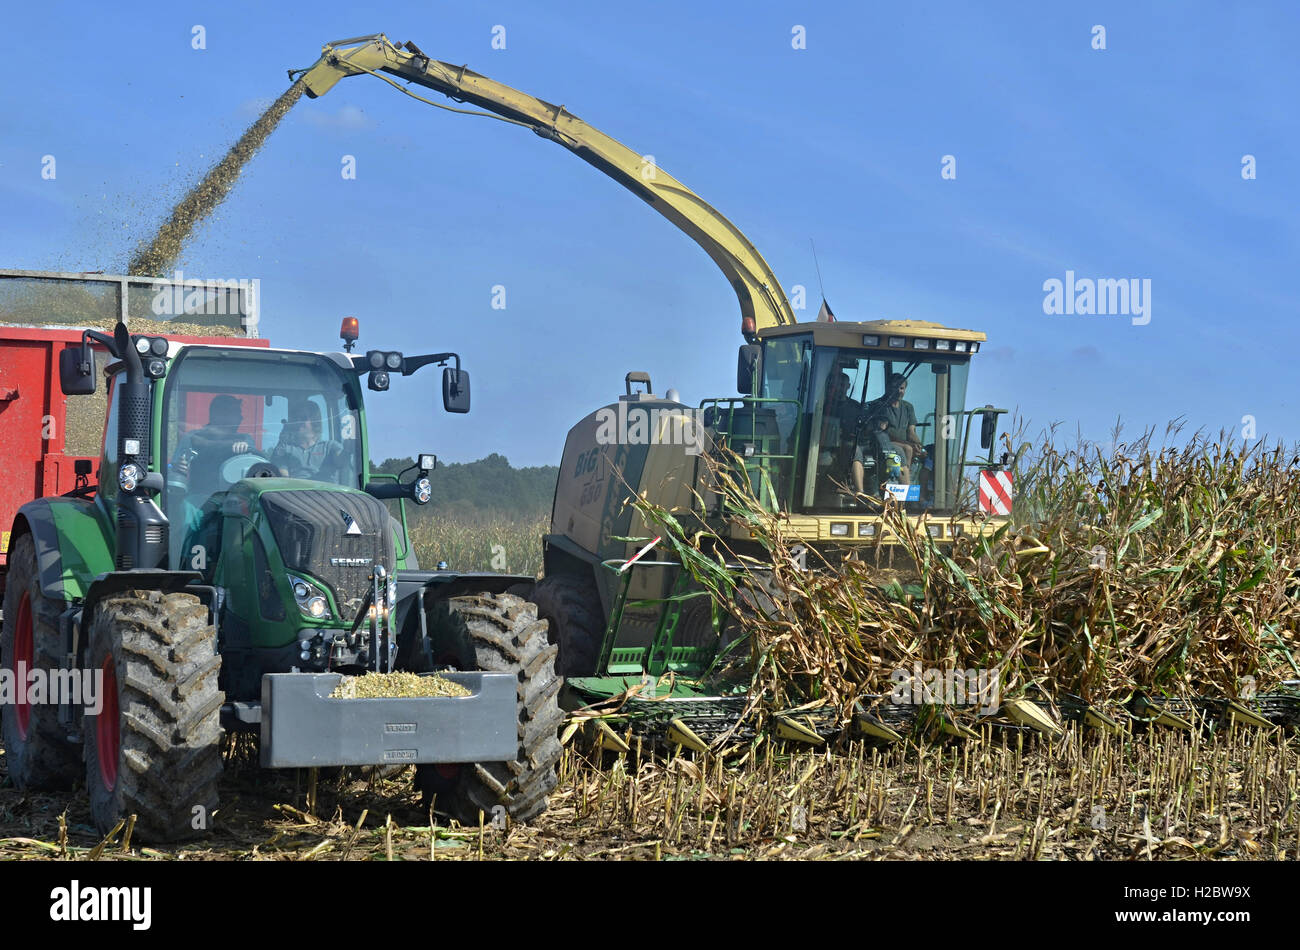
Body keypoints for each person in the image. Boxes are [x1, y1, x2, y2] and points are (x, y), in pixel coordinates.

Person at [852, 373, 925, 490]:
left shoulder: (908, 407)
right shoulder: (878, 406)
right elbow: (882, 434)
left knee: (919, 452)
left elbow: (911, 432)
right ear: (888, 387)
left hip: (903, 444)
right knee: (905, 449)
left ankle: (913, 494)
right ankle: (905, 492)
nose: (898, 391)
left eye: (901, 388)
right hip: (880, 444)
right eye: (895, 387)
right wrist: (909, 444)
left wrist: (920, 446)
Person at [170, 395, 254, 494]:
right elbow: (174, 470)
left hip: (234, 500)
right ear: (218, 415)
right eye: (236, 413)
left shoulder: (244, 440)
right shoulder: (191, 438)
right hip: (197, 501)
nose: (241, 418)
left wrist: (244, 450)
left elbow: (254, 475)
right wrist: (179, 467)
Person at [271, 399, 344, 481]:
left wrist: (349, 446)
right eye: (296, 418)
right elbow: (283, 477)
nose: (298, 421)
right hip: (294, 492)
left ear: (314, 421)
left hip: (327, 492)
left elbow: (342, 461)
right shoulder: (285, 448)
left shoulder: (330, 447)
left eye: (303, 418)